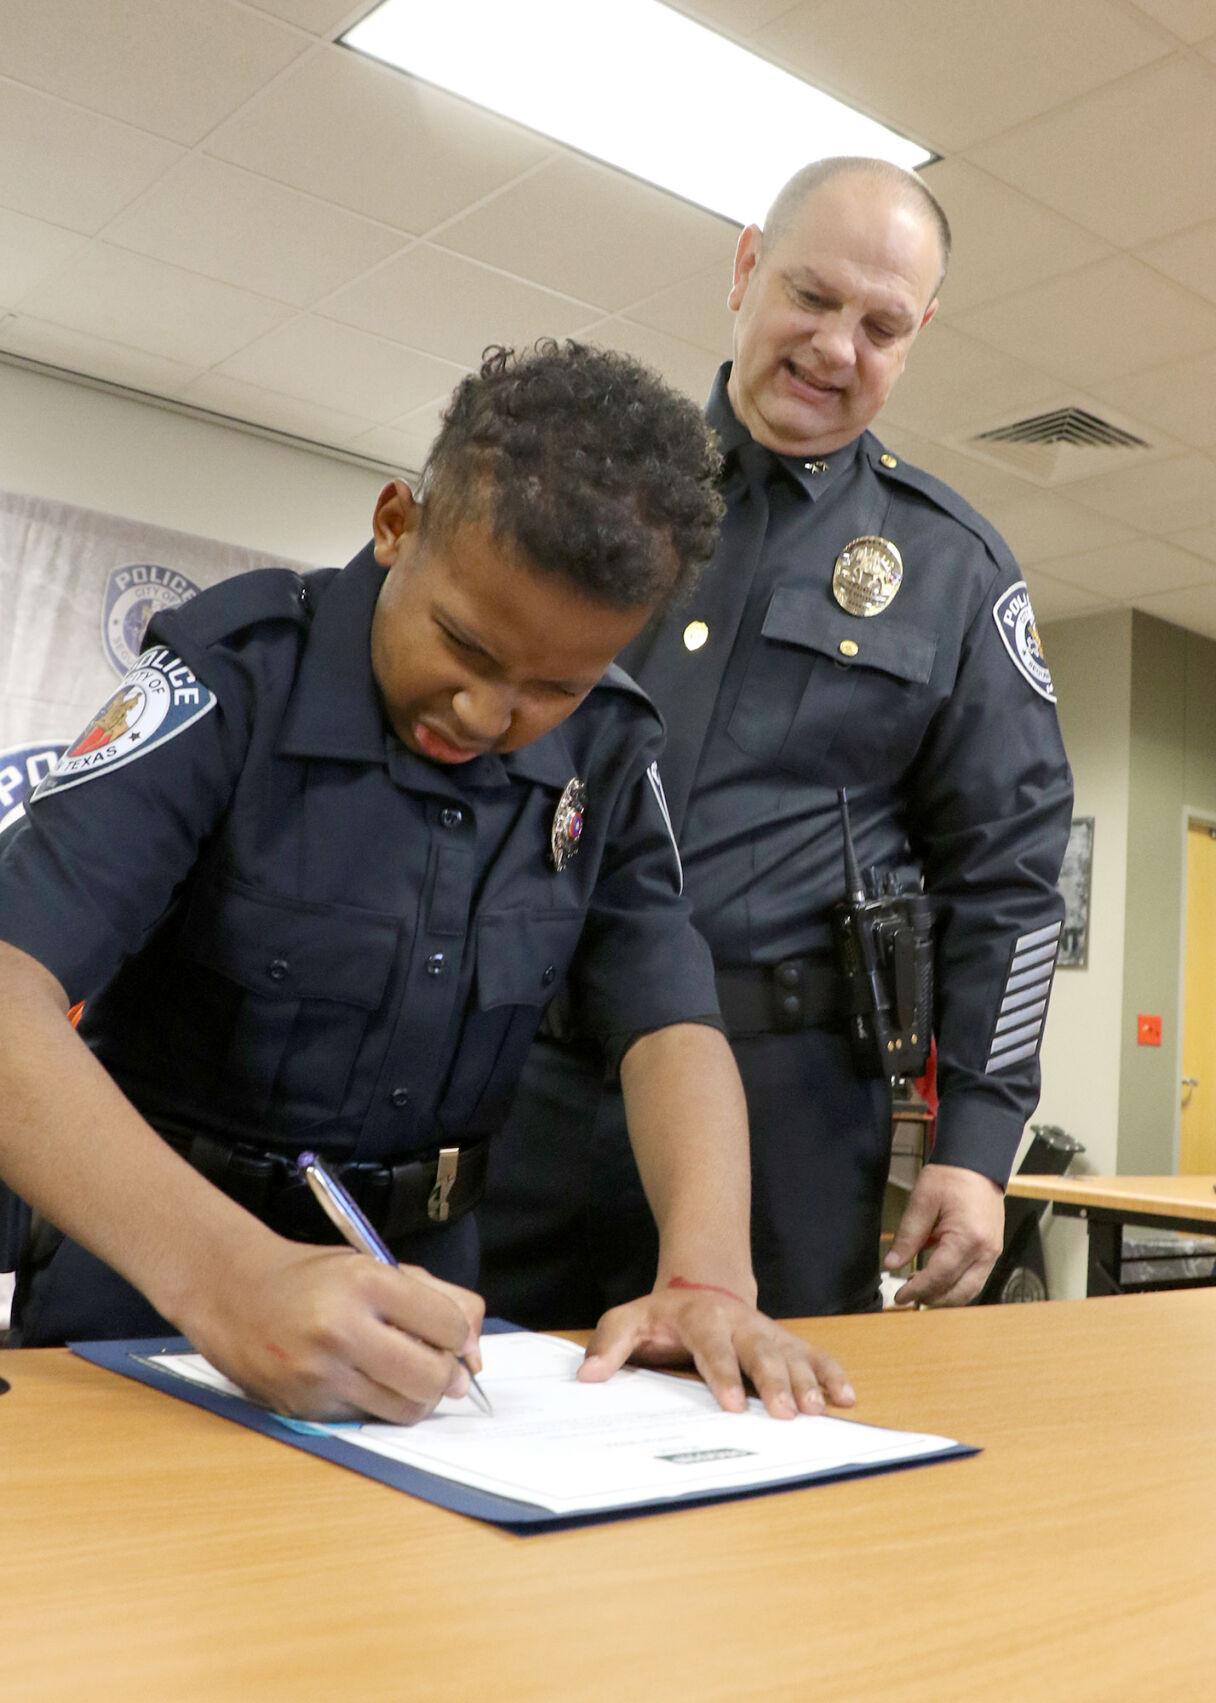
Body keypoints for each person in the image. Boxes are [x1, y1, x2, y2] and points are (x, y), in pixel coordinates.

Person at [0, 341, 854, 1424]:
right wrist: (231, 1280)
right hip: (151, 1285)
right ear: (396, 523)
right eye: (464, 644)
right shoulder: (232, 681)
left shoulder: (607, 752)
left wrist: (706, 1279)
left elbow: (668, 1022)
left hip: (429, 1317)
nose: (485, 716)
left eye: (554, 684)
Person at [479, 160, 1074, 1325]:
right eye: (812, 296)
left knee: (755, 1455)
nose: (837, 348)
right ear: (746, 267)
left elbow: (1010, 873)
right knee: (465, 1409)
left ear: (917, 337)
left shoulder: (952, 567)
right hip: (532, 1065)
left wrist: (979, 1139)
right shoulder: (589, 501)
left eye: (882, 325)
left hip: (787, 1103)